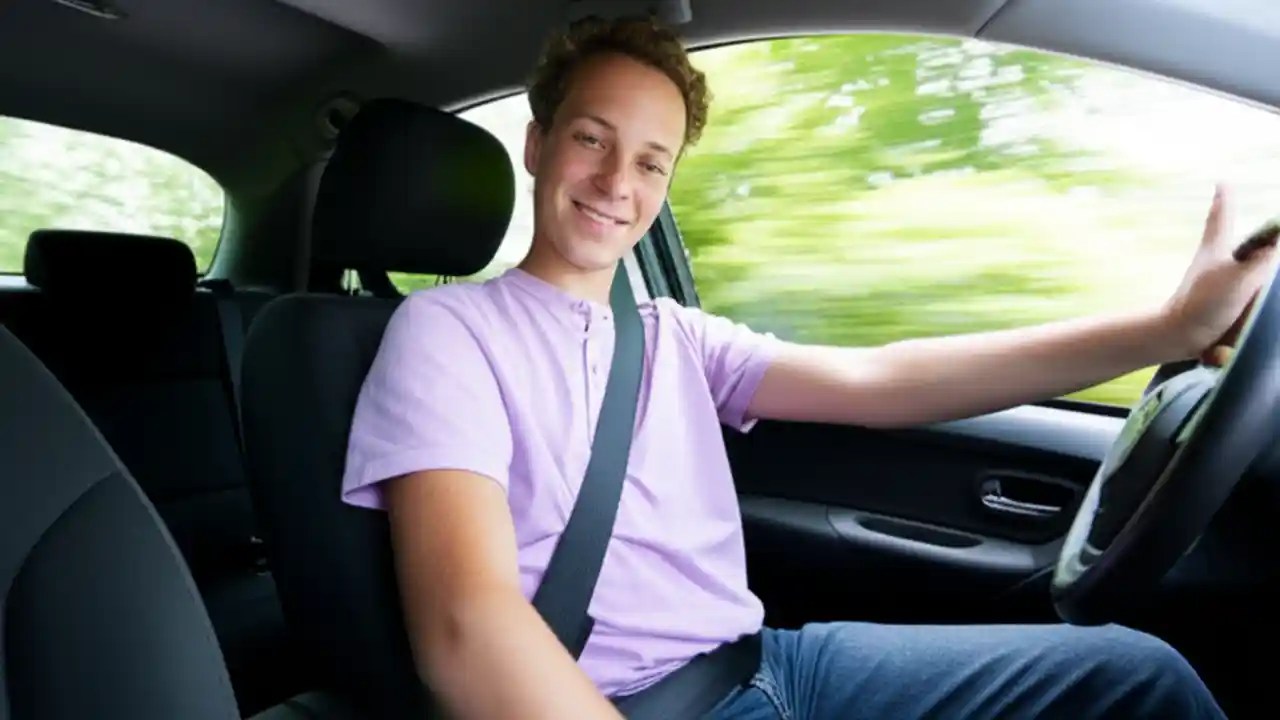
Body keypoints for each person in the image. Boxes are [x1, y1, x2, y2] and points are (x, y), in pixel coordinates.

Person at [340, 16, 1272, 720]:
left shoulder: (673, 336)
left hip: (772, 665)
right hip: (628, 703)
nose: (618, 182)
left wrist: (1167, 329)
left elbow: (885, 383)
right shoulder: (446, 332)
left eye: (652, 162)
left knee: (1137, 676)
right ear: (540, 145)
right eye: (592, 139)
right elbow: (468, 629)